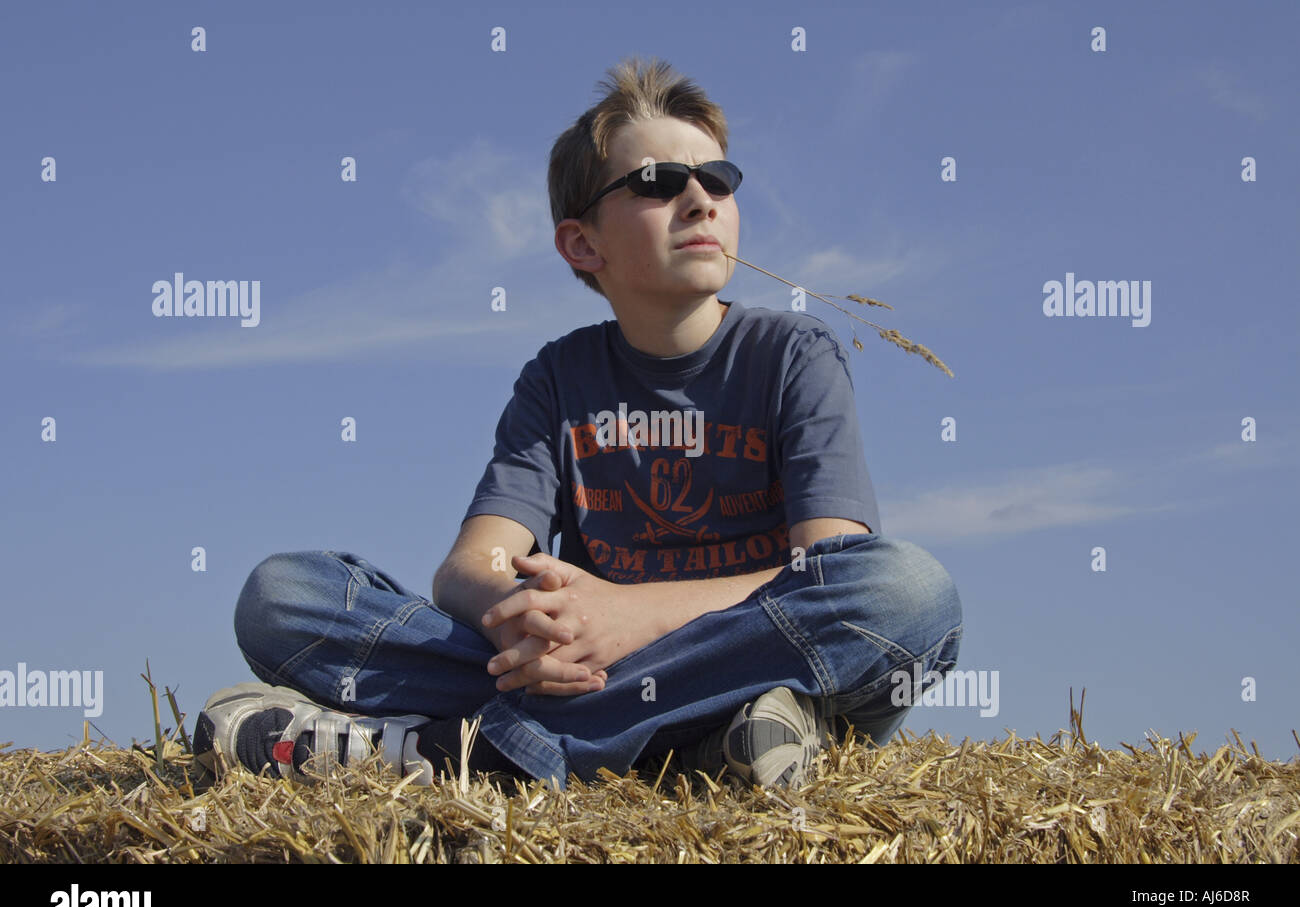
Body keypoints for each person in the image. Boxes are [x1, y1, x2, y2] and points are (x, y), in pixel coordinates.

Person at [194, 56, 963, 792]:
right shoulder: (559, 377)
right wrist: (517, 626)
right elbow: (471, 568)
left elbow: (832, 569)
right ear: (581, 243)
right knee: (281, 595)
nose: (700, 200)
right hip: (594, 665)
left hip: (729, 646)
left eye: (718, 179)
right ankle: (696, 741)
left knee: (910, 592)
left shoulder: (796, 352)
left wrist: (631, 615)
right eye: (658, 183)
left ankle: (464, 748)